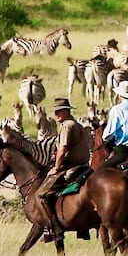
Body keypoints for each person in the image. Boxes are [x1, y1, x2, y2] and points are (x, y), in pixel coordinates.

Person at [37, 97, 93, 242]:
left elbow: (63, 150)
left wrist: (56, 168)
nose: (55, 115)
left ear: (65, 112)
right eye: (55, 111)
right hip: (85, 166)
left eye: (58, 111)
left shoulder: (67, 126)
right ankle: (83, 228)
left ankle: (53, 229)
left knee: (43, 195)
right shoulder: (77, 124)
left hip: (72, 167)